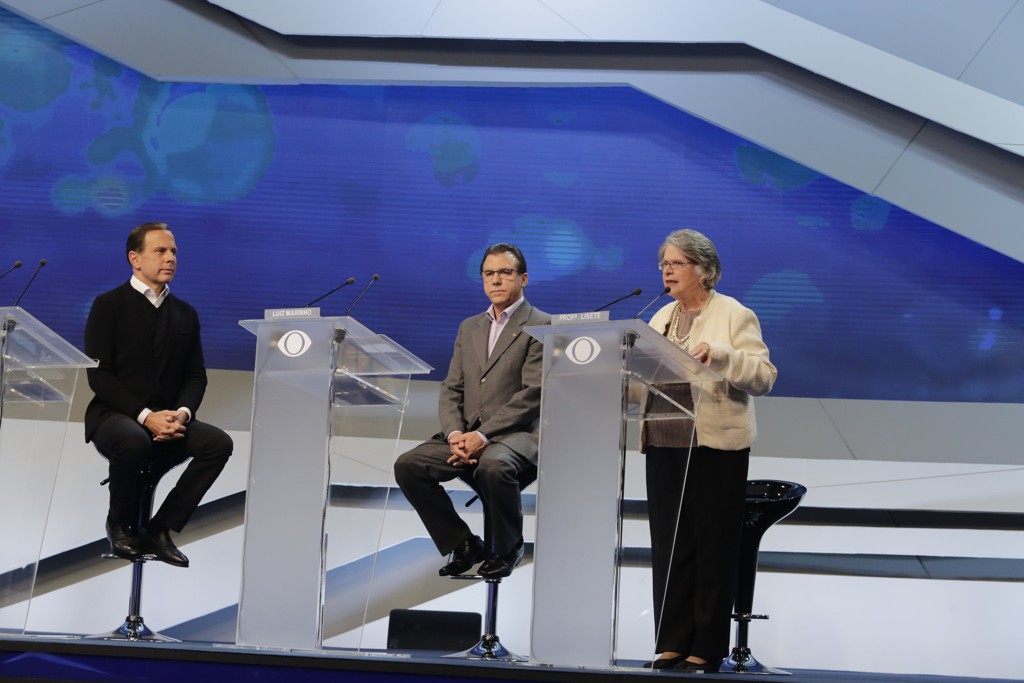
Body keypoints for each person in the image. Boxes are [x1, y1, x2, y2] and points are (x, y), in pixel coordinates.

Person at [642, 229, 777, 673]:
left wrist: (720, 355)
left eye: (677, 263)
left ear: (704, 268)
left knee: (712, 546)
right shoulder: (659, 316)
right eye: (664, 262)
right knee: (671, 544)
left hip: (716, 445)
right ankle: (672, 640)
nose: (667, 269)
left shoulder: (734, 313)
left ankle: (707, 645)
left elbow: (763, 375)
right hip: (665, 440)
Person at [394, 243, 549, 579]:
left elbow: (532, 394)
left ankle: (508, 549)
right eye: (489, 274)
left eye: (505, 273)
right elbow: (452, 388)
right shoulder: (469, 327)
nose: (496, 280)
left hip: (515, 435)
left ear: (523, 278)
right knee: (409, 465)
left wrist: (482, 435)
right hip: (465, 434)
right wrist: (455, 435)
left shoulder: (541, 325)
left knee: (492, 467)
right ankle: (464, 543)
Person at [84, 222, 232, 568]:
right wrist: (145, 415)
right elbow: (99, 375)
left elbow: (196, 376)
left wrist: (181, 413)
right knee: (135, 440)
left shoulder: (185, 313)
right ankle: (120, 525)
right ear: (135, 258)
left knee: (218, 444)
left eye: (174, 252)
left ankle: (159, 528)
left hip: (167, 419)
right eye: (161, 251)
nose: (170, 258)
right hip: (114, 416)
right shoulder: (109, 305)